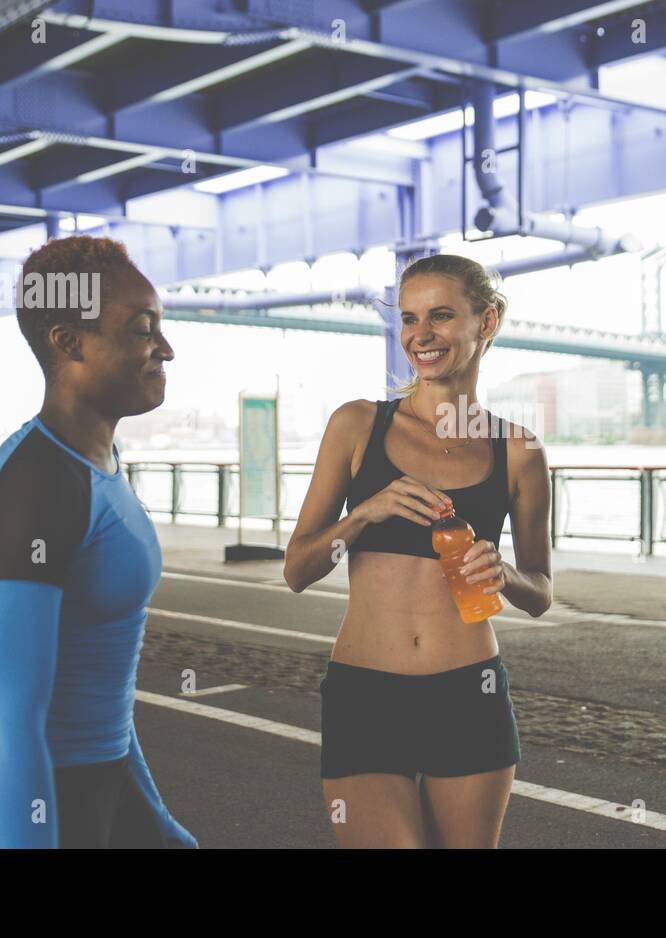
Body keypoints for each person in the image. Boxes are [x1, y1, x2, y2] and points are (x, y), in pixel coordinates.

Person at [0, 235, 195, 849]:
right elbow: (12, 720)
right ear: (68, 342)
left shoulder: (99, 462)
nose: (164, 348)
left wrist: (156, 824)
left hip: (90, 780)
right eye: (143, 328)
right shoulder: (39, 486)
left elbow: (102, 697)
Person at [284, 253, 552, 848]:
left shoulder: (519, 451)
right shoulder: (357, 426)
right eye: (408, 319)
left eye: (441, 316)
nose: (420, 336)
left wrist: (503, 572)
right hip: (364, 693)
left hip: (470, 693)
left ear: (488, 322)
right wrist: (364, 515)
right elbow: (298, 570)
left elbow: (541, 593)